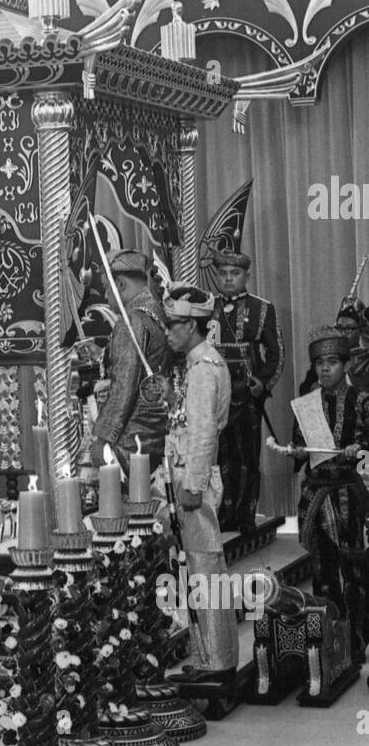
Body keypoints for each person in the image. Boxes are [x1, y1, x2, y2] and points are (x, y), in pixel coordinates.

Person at [163, 284, 236, 679]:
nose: (168, 331)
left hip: (198, 479)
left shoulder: (205, 368)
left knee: (207, 568)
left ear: (192, 325)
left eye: (173, 324)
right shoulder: (197, 364)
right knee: (197, 567)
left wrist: (192, 483)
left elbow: (205, 432)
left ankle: (218, 661)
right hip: (192, 475)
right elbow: (191, 421)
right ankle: (207, 655)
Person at [289, 327, 369, 659]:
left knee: (353, 568)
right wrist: (296, 452)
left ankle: (358, 639)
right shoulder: (307, 403)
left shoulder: (362, 400)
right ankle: (329, 641)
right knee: (322, 570)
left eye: (333, 362)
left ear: (347, 365)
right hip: (317, 493)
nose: (325, 369)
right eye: (320, 362)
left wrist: (358, 449)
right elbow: (300, 447)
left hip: (348, 495)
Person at [211, 248, 284, 533]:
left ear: (247, 276)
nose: (229, 279)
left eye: (235, 273)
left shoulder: (262, 308)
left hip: (247, 392)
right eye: (224, 273)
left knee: (247, 454)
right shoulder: (206, 307)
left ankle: (245, 514)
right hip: (215, 392)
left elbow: (277, 352)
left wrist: (263, 382)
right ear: (217, 275)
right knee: (220, 453)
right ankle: (223, 512)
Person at [88, 249, 169, 472]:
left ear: (120, 284)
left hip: (131, 440)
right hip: (157, 432)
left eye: (106, 287)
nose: (106, 295)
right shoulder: (156, 313)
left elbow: (123, 386)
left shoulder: (131, 321)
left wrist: (103, 438)